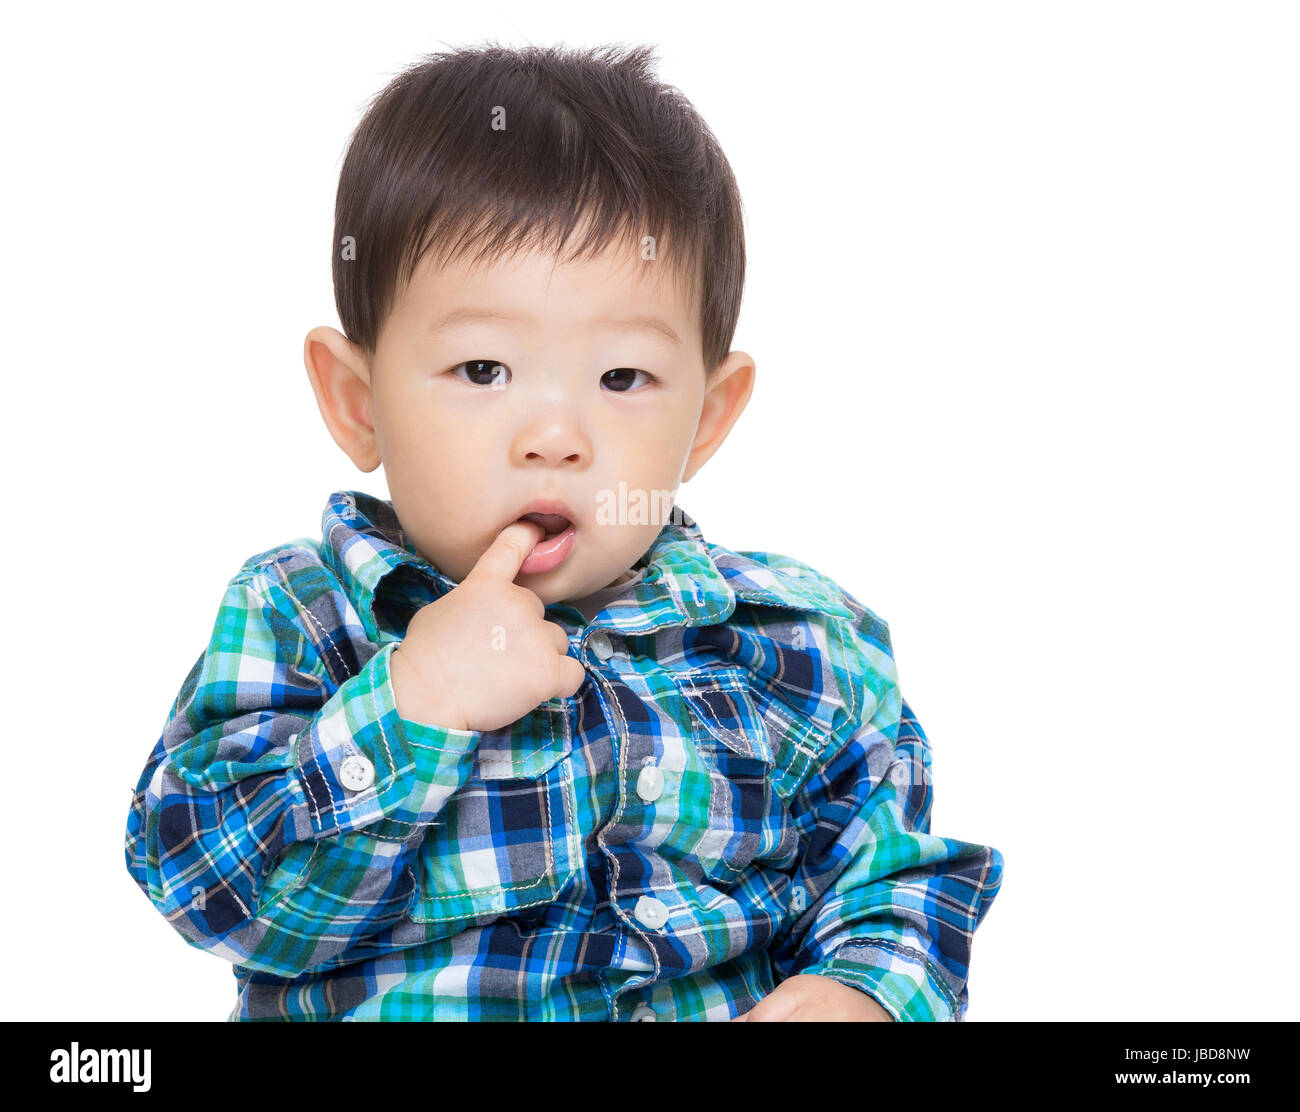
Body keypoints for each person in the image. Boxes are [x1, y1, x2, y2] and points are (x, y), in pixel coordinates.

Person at [124, 41, 1004, 1022]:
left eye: (622, 378)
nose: (555, 437)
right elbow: (207, 881)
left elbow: (893, 875)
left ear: (707, 418)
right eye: (483, 370)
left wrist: (861, 989)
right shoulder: (305, 613)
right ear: (356, 398)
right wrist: (413, 700)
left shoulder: (792, 638)